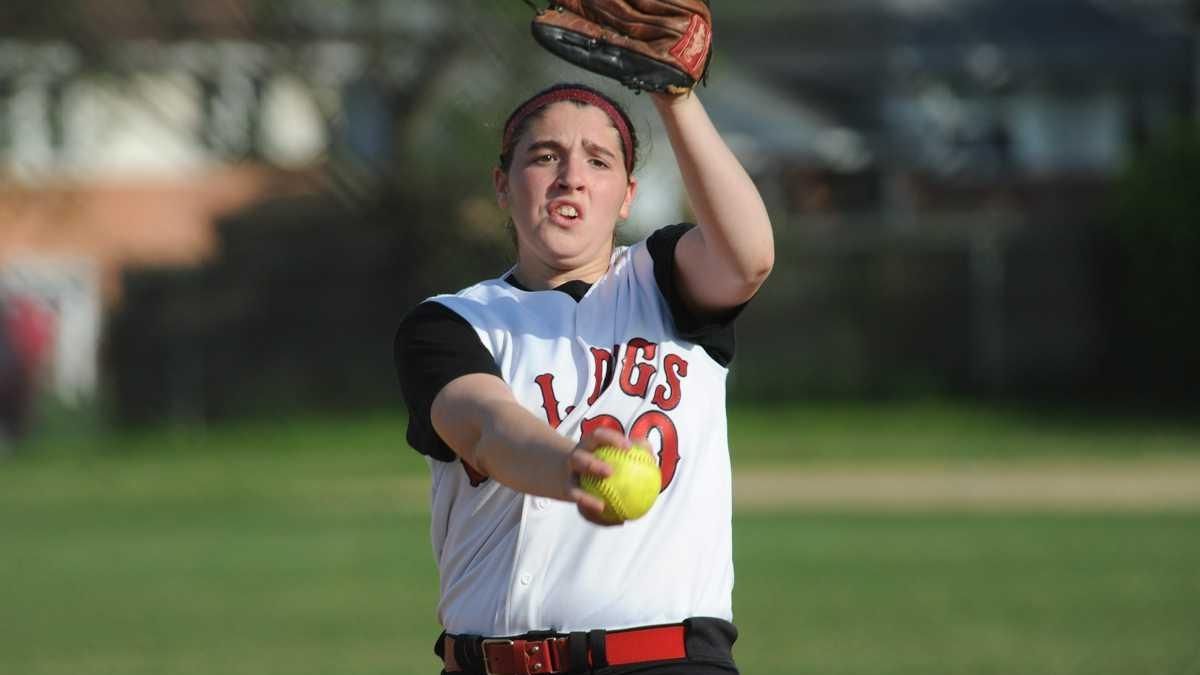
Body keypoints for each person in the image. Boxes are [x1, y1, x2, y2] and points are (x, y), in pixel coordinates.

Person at [394, 81, 774, 675]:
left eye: (598, 160)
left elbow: (749, 256)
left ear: (626, 197)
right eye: (545, 156)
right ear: (502, 185)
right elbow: (486, 429)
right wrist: (570, 466)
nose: (571, 175)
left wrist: (676, 99)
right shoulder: (451, 322)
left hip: (662, 661)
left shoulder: (664, 281)